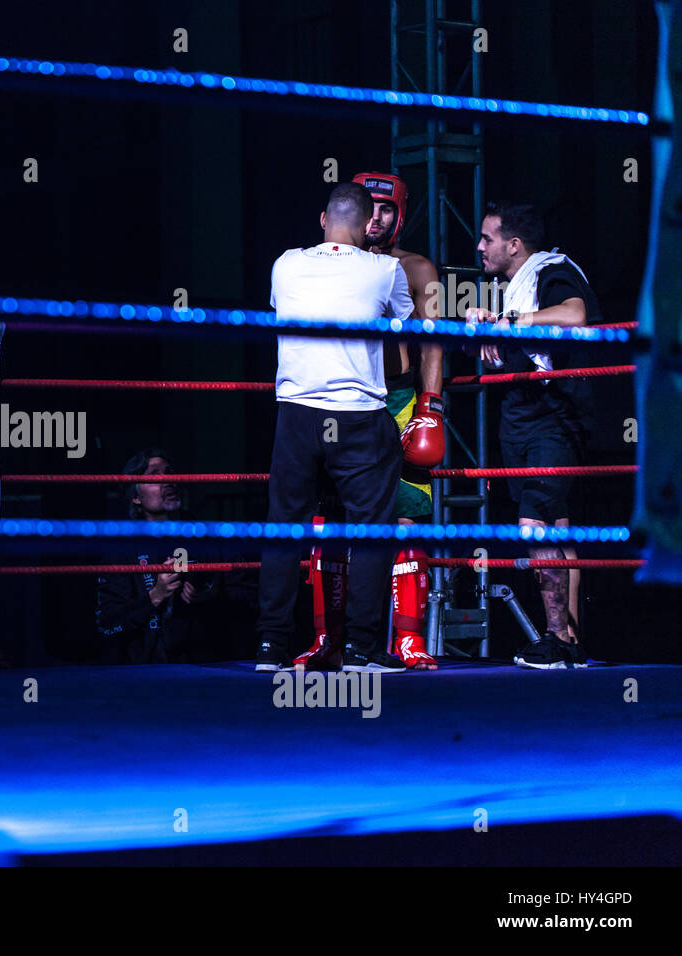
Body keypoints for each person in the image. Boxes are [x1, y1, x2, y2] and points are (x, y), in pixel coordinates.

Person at [256, 182, 411, 673]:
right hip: (358, 415)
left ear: (323, 220)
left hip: (297, 414)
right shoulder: (385, 269)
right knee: (371, 531)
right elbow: (404, 332)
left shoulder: (285, 264)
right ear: (369, 225)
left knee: (285, 526)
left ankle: (270, 647)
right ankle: (362, 648)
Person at [293, 172, 445, 671]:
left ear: (401, 215)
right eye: (370, 208)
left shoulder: (416, 268)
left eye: (387, 209)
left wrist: (431, 406)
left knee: (405, 516)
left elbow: (433, 341)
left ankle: (407, 639)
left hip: (397, 399)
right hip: (338, 400)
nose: (376, 218)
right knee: (332, 520)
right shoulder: (323, 265)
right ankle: (329, 640)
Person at [468, 201, 600, 669]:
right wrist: (489, 326)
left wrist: (510, 323)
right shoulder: (515, 289)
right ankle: (570, 642)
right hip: (525, 415)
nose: (479, 247)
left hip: (552, 414)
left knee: (535, 522)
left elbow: (575, 314)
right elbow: (513, 352)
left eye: (487, 239)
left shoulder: (552, 270)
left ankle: (557, 638)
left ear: (514, 245)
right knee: (556, 525)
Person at [94, 449, 250, 663]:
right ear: (135, 497)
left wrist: (210, 596)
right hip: (145, 672)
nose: (167, 480)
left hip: (209, 667)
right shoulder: (121, 548)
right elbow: (107, 625)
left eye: (169, 473)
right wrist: (154, 596)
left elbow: (249, 604)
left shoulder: (212, 536)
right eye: (154, 475)